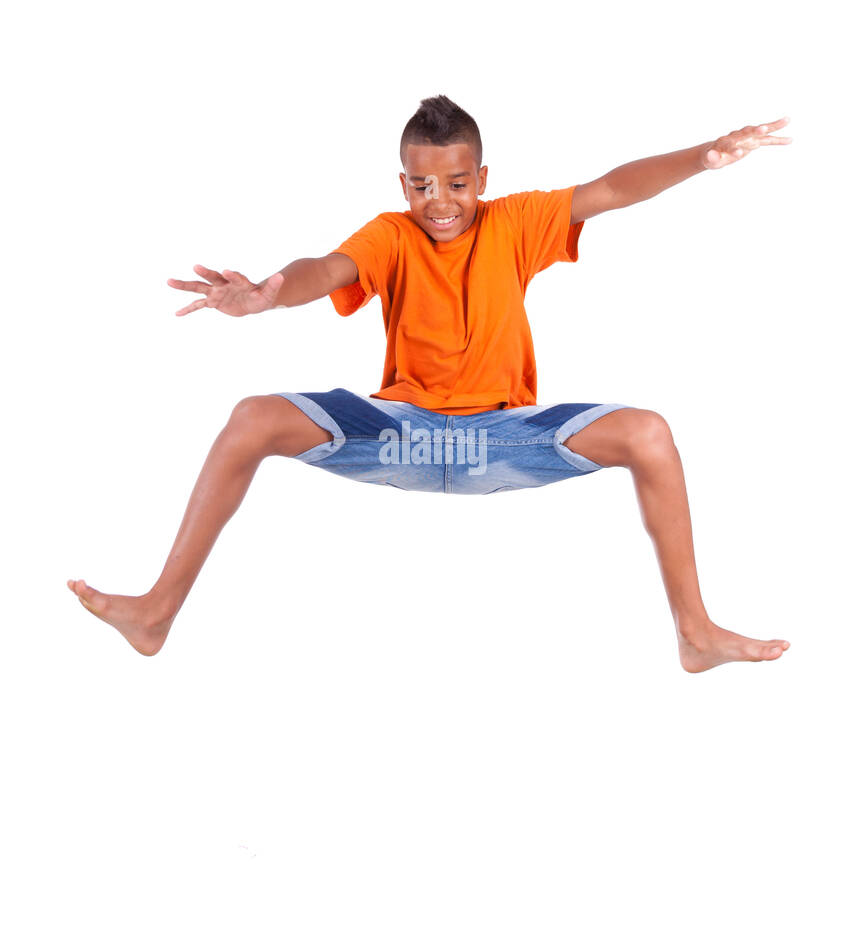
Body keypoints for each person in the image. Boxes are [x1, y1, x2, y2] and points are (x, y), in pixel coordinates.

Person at [67, 95, 792, 672]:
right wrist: (264, 291)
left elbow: (609, 188)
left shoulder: (518, 221)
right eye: (420, 185)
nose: (438, 202)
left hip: (502, 439)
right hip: (401, 436)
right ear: (402, 183)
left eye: (454, 184)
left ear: (482, 179)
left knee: (649, 432)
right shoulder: (391, 234)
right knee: (252, 417)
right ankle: (157, 610)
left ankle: (695, 633)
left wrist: (703, 156)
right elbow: (326, 269)